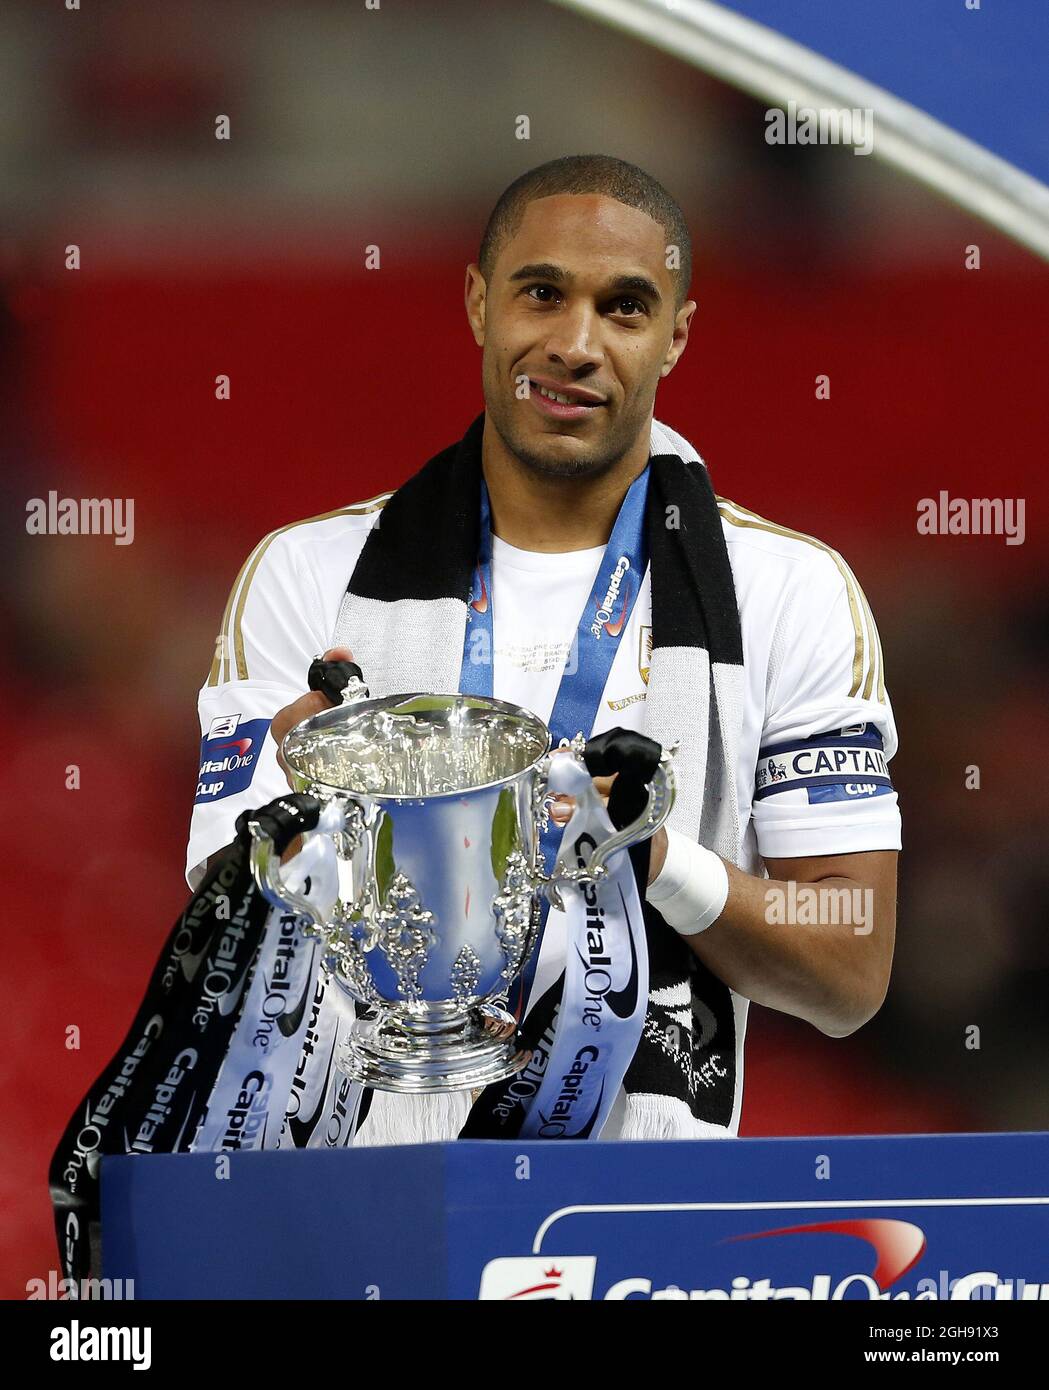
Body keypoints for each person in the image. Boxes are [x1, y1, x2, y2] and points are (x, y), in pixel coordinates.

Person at [185, 154, 901, 1144]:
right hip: (355, 1204)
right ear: (479, 303)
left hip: (635, 1233)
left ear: (674, 338)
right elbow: (218, 924)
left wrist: (649, 855)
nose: (573, 343)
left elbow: (848, 970)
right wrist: (303, 834)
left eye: (623, 308)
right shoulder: (307, 575)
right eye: (540, 293)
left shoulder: (787, 590)